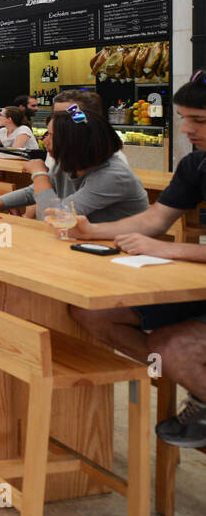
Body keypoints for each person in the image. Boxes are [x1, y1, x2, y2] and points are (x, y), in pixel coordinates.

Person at [65, 78, 206, 448]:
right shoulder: (195, 165)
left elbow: (161, 239)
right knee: (91, 312)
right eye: (183, 118)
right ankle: (196, 386)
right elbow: (153, 220)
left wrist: (174, 251)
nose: (187, 129)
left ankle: (188, 377)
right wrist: (91, 231)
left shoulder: (110, 169)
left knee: (169, 344)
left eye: (200, 121)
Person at [0, 107, 148, 222]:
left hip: (118, 253)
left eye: (51, 135)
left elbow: (56, 217)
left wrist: (39, 174)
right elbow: (31, 193)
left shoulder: (112, 175)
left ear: (74, 141)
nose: (45, 140)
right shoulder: (71, 163)